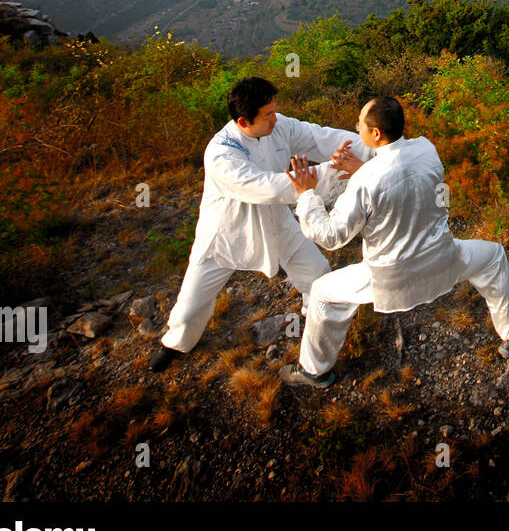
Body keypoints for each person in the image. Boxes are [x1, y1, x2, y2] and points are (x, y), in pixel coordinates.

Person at [278, 96, 509, 388]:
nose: (356, 128)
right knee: (495, 255)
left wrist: (307, 195)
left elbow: (331, 236)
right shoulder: (426, 148)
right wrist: (366, 171)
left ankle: (313, 370)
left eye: (360, 125)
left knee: (321, 292)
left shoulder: (365, 180)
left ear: (376, 134)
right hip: (445, 258)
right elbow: (405, 178)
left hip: (389, 279)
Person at [148, 76, 372, 371]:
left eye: (274, 110)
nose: (275, 118)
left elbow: (319, 136)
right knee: (191, 305)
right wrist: (332, 170)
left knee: (317, 274)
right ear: (243, 121)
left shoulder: (278, 126)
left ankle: (313, 318)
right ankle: (176, 343)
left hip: (277, 223)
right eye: (268, 114)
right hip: (226, 232)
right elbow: (269, 187)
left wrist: (374, 147)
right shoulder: (222, 153)